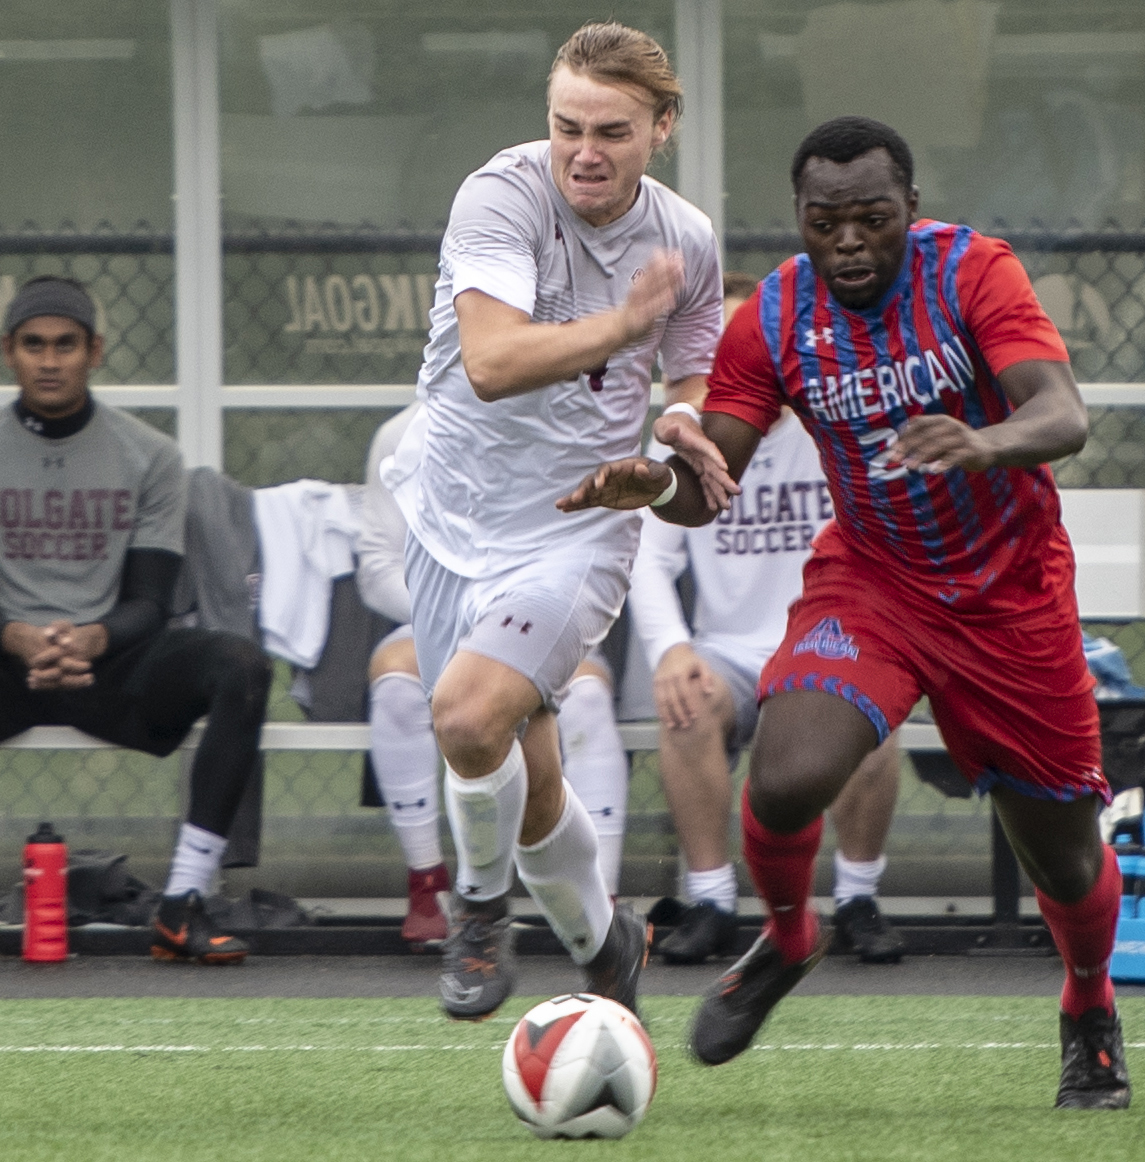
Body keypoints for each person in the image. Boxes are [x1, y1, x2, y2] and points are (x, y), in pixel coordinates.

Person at [560, 116, 1130, 1109]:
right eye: (827, 222)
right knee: (785, 778)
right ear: (801, 220)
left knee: (1065, 855)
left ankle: (1088, 1003)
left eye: (872, 218)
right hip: (875, 582)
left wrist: (985, 440)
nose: (850, 241)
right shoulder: (775, 314)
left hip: (1010, 598)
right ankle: (787, 938)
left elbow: (1062, 413)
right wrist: (650, 485)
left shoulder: (971, 273)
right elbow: (710, 482)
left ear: (911, 208)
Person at [382, 21, 729, 1019]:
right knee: (523, 777)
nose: (583, 150)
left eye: (611, 131)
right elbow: (490, 364)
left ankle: (478, 907)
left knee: (464, 713)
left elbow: (693, 374)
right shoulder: (501, 194)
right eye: (566, 125)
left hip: (576, 525)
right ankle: (604, 941)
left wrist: (672, 429)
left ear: (660, 127)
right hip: (452, 515)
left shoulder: (686, 238)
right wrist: (622, 324)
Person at [0, 276, 271, 967]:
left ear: (94, 352)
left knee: (243, 668)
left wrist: (89, 638)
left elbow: (150, 600)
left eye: (65, 345)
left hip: (108, 663)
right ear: (8, 353)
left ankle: (184, 903)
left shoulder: (152, 456)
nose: (49, 361)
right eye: (33, 345)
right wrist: (22, 639)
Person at [633, 272, 906, 966]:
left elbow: (883, 536)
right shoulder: (690, 438)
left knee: (873, 712)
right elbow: (646, 559)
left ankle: (856, 897)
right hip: (726, 651)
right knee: (684, 700)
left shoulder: (830, 422)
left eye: (748, 337)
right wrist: (670, 649)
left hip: (824, 640)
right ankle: (711, 899)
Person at [359, 402, 632, 951]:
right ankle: (431, 884)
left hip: (540, 614)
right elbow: (376, 565)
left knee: (586, 699)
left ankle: (601, 898)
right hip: (433, 619)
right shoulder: (400, 433)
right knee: (394, 679)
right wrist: (465, 627)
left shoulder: (564, 421)